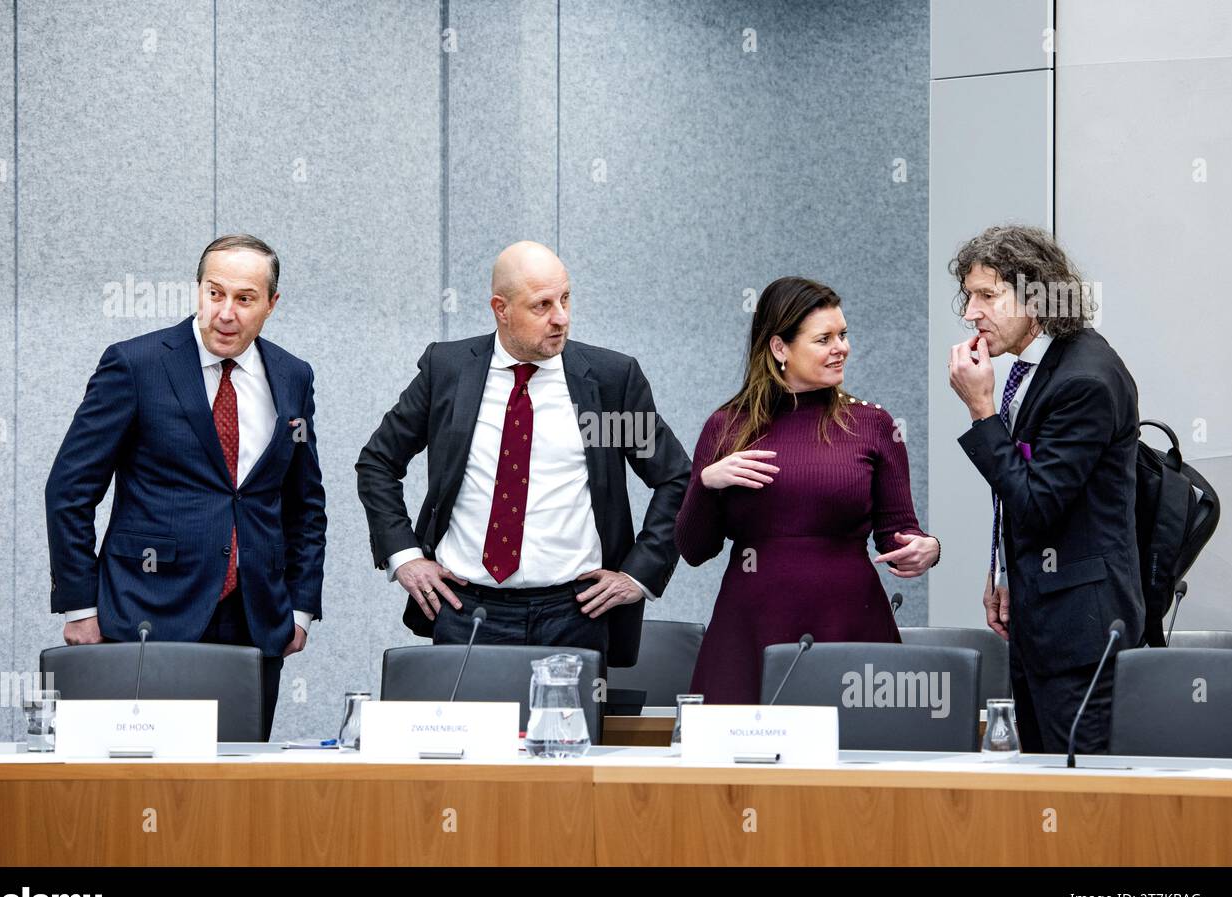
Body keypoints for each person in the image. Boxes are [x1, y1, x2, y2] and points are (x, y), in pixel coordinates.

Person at [45, 234, 326, 741]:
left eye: (244, 299)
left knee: (234, 793)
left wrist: (300, 609)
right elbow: (69, 489)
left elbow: (305, 504)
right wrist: (80, 606)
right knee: (140, 781)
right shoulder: (135, 365)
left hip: (254, 619)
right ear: (198, 290)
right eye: (215, 293)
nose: (225, 312)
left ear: (271, 304)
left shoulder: (293, 376)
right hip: (144, 613)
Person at [356, 241, 689, 666]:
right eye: (542, 305)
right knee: (465, 735)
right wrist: (405, 557)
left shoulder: (603, 384)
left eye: (566, 298)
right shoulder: (451, 371)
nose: (561, 318)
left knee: (568, 734)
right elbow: (379, 462)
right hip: (464, 612)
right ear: (501, 308)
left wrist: (637, 574)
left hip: (576, 613)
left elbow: (673, 477)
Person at [676, 277, 938, 704]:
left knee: (859, 758)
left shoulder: (874, 424)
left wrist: (928, 548)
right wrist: (707, 483)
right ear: (780, 348)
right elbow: (693, 549)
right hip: (750, 624)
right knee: (740, 762)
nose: (842, 348)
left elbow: (899, 533)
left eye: (843, 334)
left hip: (850, 619)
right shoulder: (727, 426)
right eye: (824, 339)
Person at [947, 224, 1142, 755]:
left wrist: (982, 411)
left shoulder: (1085, 378)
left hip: (1081, 636)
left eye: (988, 295)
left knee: (1079, 804)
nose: (970, 312)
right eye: (969, 296)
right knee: (1038, 793)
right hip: (1042, 619)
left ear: (1036, 294)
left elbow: (1035, 504)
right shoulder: (1040, 367)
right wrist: (1009, 574)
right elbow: (1031, 489)